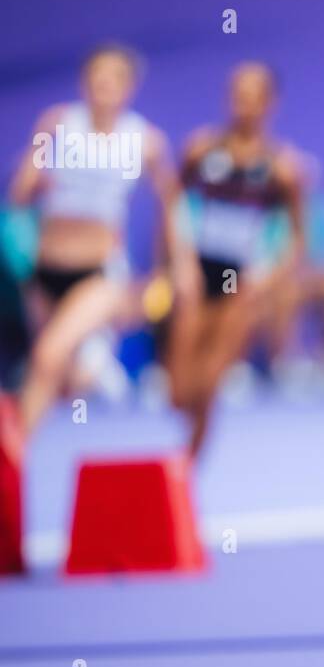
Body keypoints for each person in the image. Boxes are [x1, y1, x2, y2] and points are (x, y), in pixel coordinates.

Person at [8, 45, 190, 436]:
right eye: (96, 76)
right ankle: (94, 369)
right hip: (45, 272)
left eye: (113, 78)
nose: (103, 85)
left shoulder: (145, 141)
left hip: (100, 273)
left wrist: (176, 266)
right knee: (60, 379)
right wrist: (36, 179)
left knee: (46, 358)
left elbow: (172, 203)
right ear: (84, 81)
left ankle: (12, 459)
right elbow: (20, 191)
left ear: (129, 86)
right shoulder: (56, 124)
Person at [168, 62, 305, 457]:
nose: (243, 104)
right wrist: (180, 263)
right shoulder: (200, 148)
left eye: (253, 97)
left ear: (269, 103)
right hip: (198, 272)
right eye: (237, 95)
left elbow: (297, 238)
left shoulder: (282, 169)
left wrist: (267, 280)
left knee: (209, 383)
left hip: (241, 281)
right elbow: (172, 203)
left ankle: (183, 472)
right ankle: (185, 445)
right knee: (179, 392)